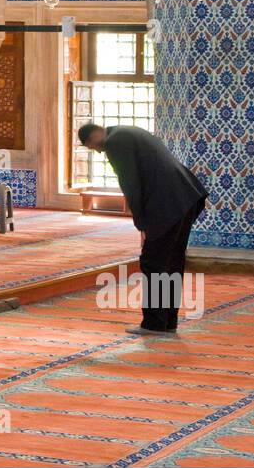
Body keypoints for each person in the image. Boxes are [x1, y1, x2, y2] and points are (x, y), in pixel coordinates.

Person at [78, 122, 208, 336]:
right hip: (185, 197)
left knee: (153, 262)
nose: (99, 151)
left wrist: (142, 225)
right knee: (172, 261)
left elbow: (131, 184)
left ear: (93, 137)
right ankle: (168, 321)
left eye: (94, 147)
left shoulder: (114, 142)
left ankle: (154, 323)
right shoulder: (127, 131)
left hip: (167, 204)